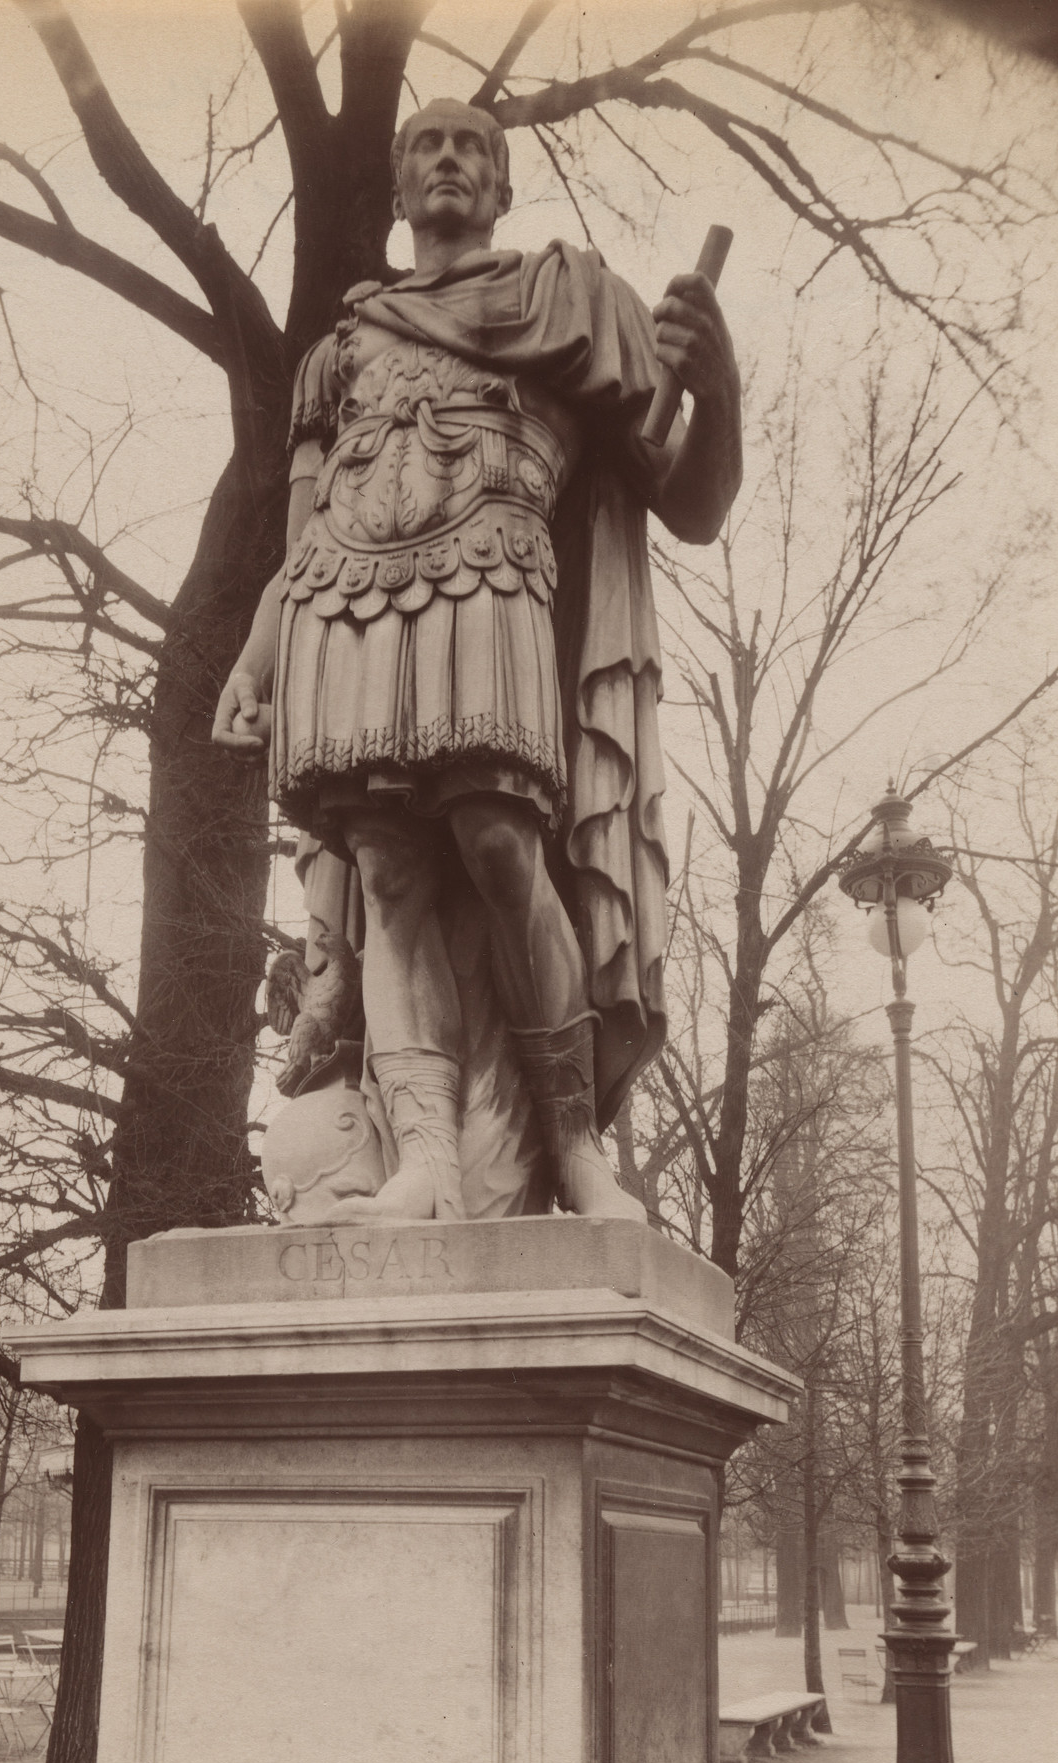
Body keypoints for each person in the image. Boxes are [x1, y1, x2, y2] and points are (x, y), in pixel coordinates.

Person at [215, 99, 741, 1223]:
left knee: (501, 842)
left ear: (500, 189)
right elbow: (303, 534)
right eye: (426, 148)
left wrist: (724, 392)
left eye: (472, 149)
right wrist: (256, 658)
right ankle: (426, 1166)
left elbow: (691, 499)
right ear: (399, 193)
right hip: (347, 601)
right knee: (390, 873)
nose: (448, 160)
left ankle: (575, 1138)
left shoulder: (565, 306)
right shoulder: (339, 349)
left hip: (495, 576)